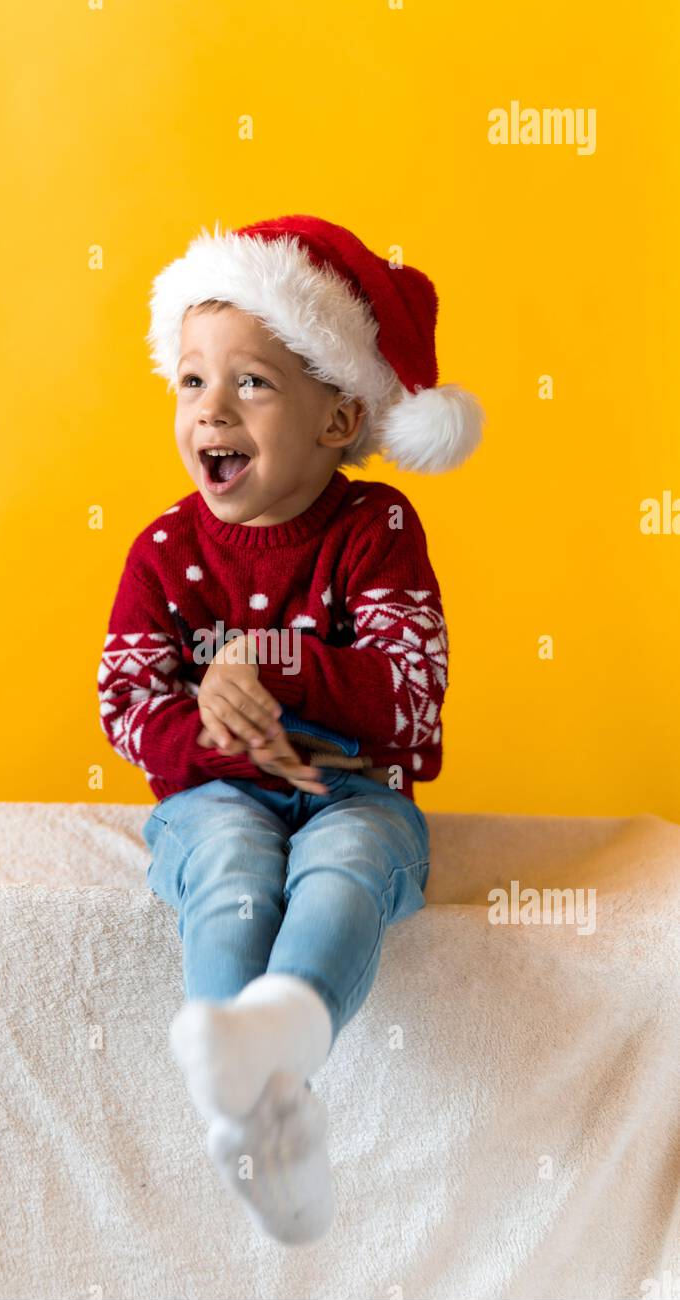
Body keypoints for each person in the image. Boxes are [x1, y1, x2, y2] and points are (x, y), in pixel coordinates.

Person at [96, 214, 484, 1243]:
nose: (210, 408)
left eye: (251, 383)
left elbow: (411, 698)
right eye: (190, 382)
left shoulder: (376, 531)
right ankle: (250, 1107)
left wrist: (265, 665)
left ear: (335, 416)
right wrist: (225, 735)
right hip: (213, 792)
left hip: (351, 791)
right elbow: (129, 706)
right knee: (226, 855)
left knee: (351, 856)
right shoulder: (163, 551)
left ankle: (283, 1029)